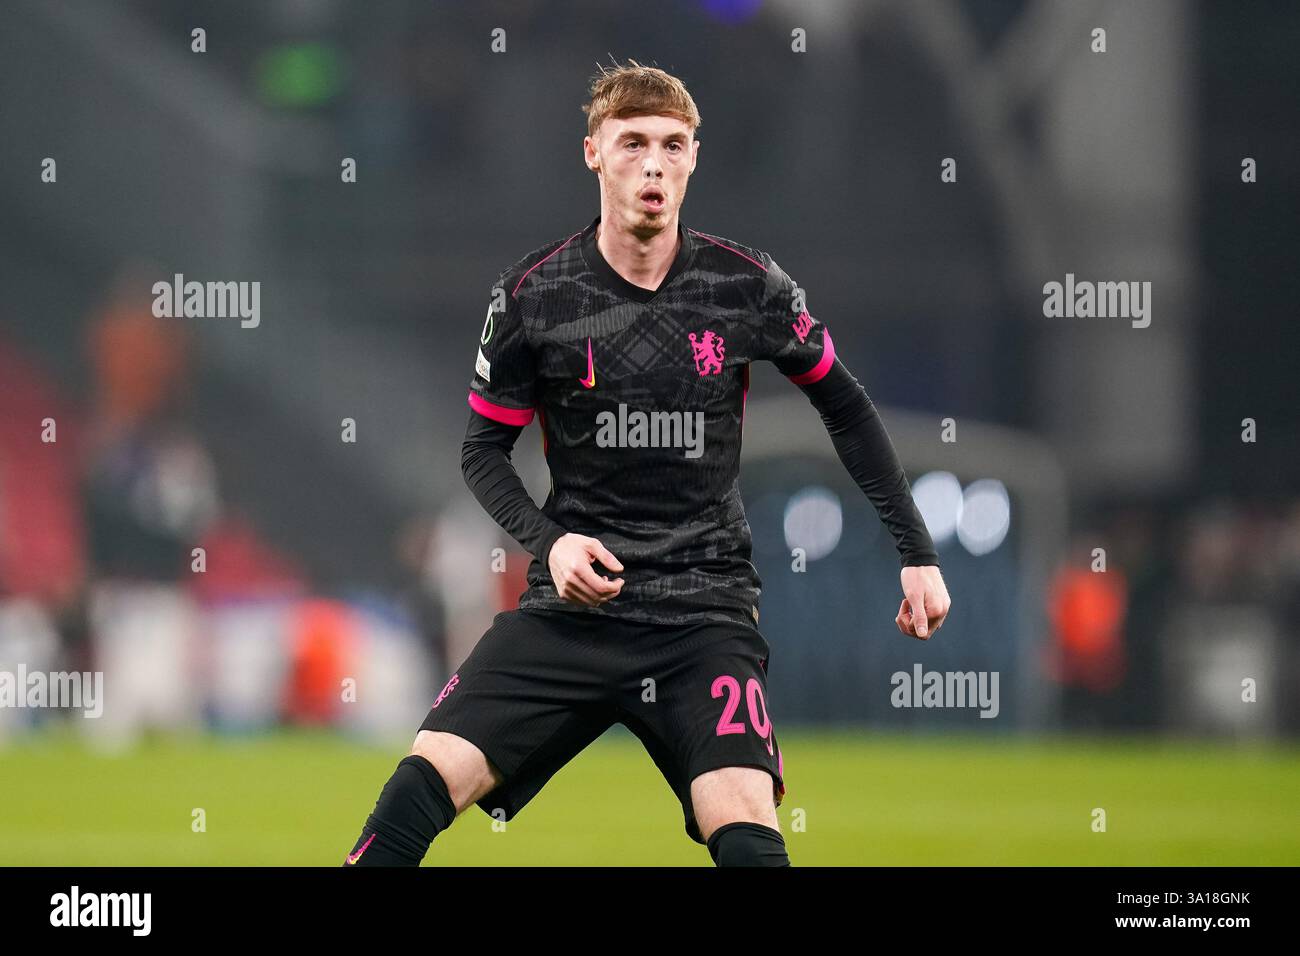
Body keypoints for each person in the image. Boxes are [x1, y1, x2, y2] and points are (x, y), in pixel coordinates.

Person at [344, 59, 950, 867]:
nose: (653, 164)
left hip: (703, 613)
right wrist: (549, 541)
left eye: (672, 144)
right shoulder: (534, 295)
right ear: (593, 153)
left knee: (745, 819)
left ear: (695, 156)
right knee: (425, 777)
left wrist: (915, 551)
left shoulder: (747, 287)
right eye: (632, 144)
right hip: (573, 613)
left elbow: (845, 403)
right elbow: (483, 450)